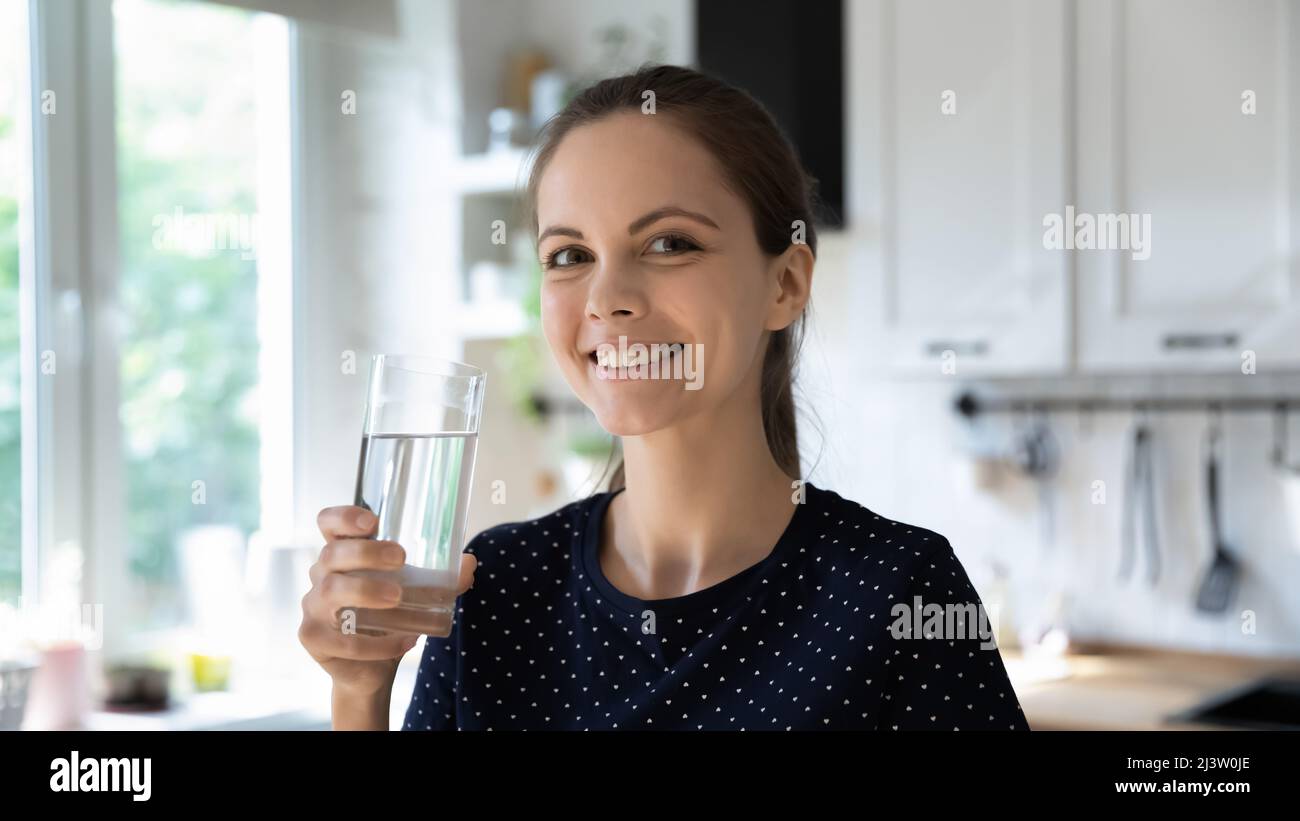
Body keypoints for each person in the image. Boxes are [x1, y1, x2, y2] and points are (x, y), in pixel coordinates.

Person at [299, 63, 1029, 731]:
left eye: (670, 243)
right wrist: (360, 691)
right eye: (570, 256)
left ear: (786, 283)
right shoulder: (495, 587)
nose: (608, 297)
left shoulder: (897, 590)